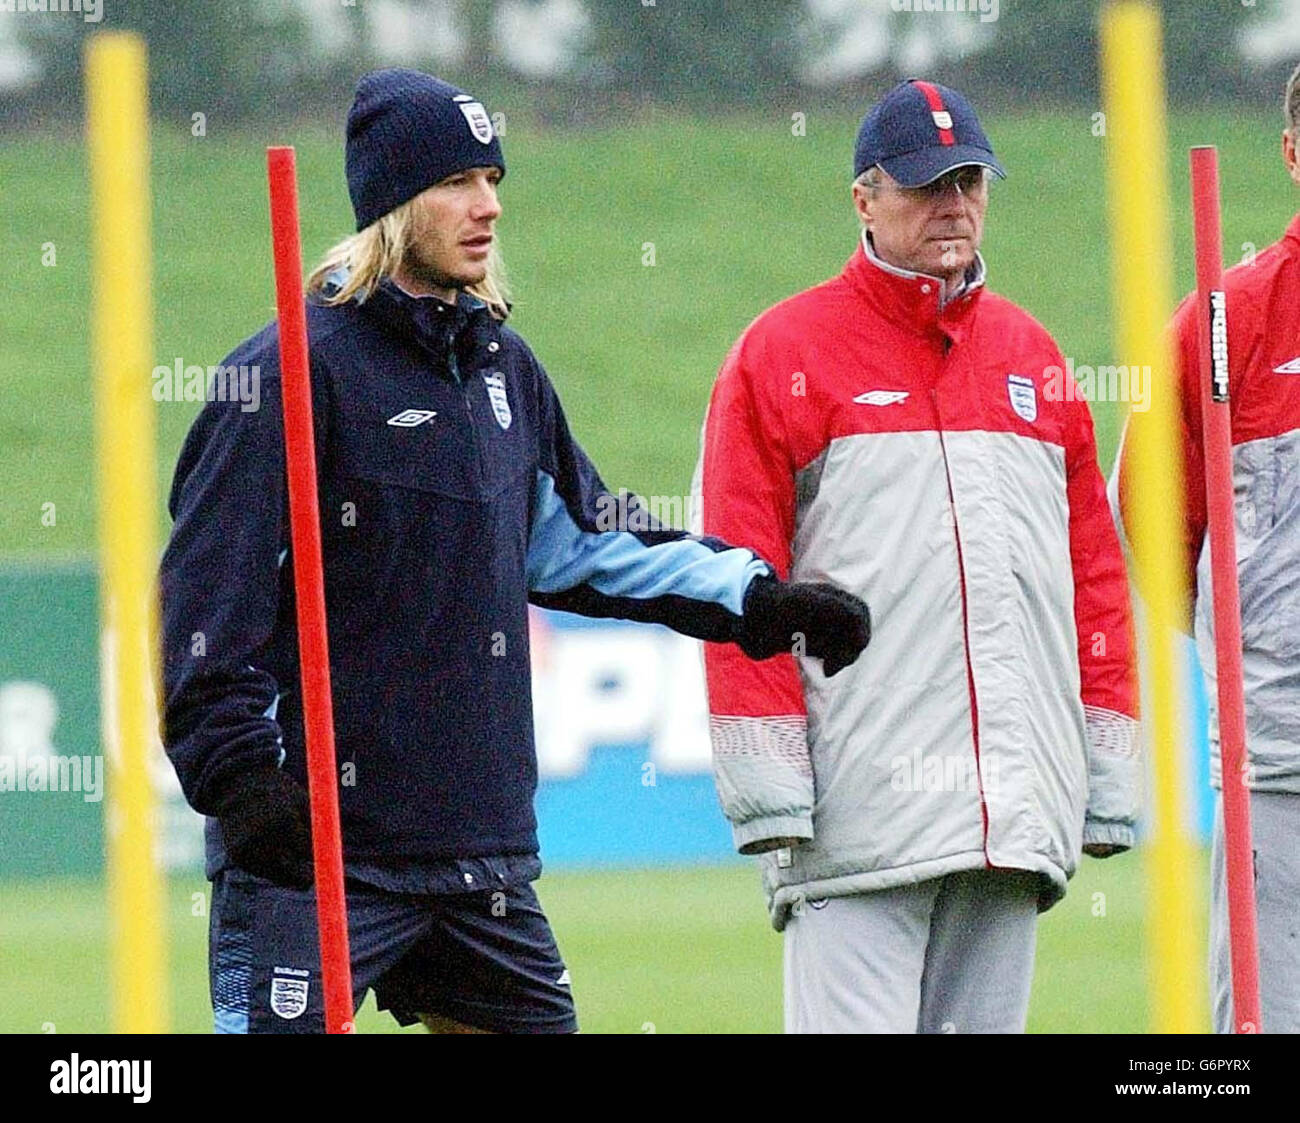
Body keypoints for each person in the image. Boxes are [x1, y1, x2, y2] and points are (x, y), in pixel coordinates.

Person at [160, 68, 871, 1035]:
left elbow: (584, 539)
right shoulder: (286, 372)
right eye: (459, 181)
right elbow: (207, 598)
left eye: (494, 179)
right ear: (395, 203)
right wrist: (241, 779)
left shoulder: (502, 365)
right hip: (318, 854)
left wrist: (761, 599)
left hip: (476, 856)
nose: (488, 205)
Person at [695, 78, 1139, 1034]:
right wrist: (770, 786)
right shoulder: (780, 352)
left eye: (970, 181)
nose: (955, 203)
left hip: (1012, 818)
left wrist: (1106, 773)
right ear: (864, 198)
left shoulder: (1035, 356)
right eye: (928, 184)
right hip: (861, 819)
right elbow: (737, 578)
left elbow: (1094, 579)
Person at [1110, 63, 1300, 1036]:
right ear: (1291, 153)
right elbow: (1151, 525)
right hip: (1280, 769)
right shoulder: (1223, 326)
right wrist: (1249, 647)